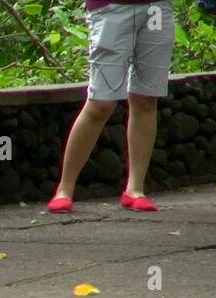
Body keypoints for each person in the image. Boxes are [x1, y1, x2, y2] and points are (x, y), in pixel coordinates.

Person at [48, 1, 175, 214]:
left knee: (146, 98)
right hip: (111, 8)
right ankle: (64, 189)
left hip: (156, 8)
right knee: (101, 102)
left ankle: (135, 189)